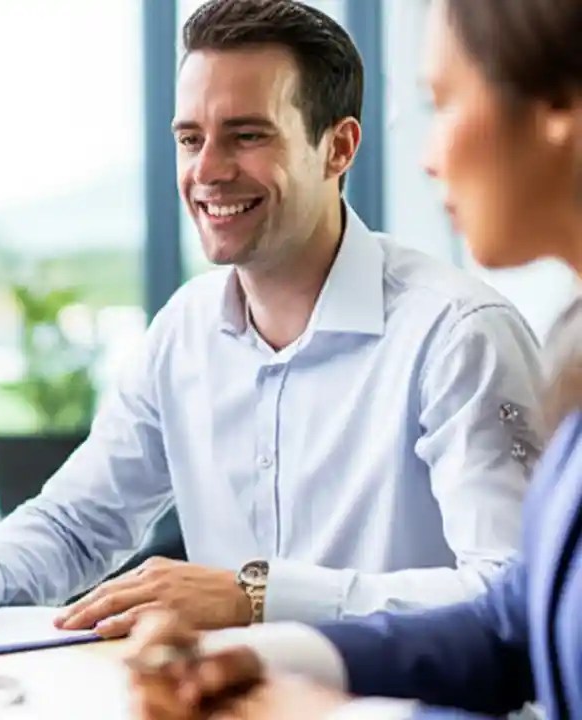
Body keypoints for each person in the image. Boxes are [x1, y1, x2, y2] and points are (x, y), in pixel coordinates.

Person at [0, 0, 542, 636]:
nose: (209, 171)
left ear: (338, 149)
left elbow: (511, 591)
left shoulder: (458, 335)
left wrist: (257, 596)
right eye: (191, 138)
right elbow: (80, 524)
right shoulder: (184, 332)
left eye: (247, 136)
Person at [127, 0, 582, 717]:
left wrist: (318, 707)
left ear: (558, 106)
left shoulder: (461, 328)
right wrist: (257, 658)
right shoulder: (574, 359)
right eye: (190, 137)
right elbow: (512, 620)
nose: (428, 156)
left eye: (444, 102)